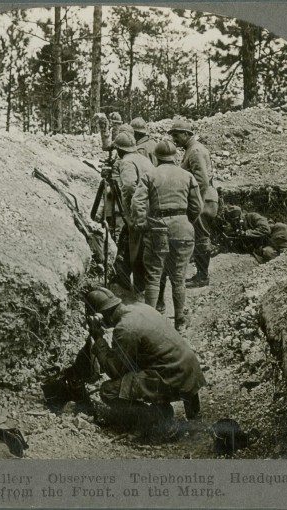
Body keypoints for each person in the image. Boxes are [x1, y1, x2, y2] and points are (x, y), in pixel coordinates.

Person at [84, 287, 205, 437]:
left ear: (100, 316)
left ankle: (157, 422)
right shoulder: (142, 307)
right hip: (189, 371)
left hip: (173, 378)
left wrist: (98, 338)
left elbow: (115, 372)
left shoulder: (124, 329)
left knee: (109, 391)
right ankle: (192, 411)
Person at [130, 140, 202, 330]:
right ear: (175, 157)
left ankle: (150, 324)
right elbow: (197, 207)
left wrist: (142, 223)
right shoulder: (187, 176)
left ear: (156, 157)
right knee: (178, 277)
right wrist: (184, 221)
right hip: (182, 229)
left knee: (153, 276)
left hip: (157, 228)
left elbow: (137, 203)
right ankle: (179, 321)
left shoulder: (150, 175)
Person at [169, 118, 216, 288]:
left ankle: (202, 277)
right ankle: (200, 274)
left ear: (186, 134)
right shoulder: (192, 149)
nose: (174, 139)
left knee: (202, 237)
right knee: (199, 236)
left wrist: (196, 203)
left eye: (176, 135)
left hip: (203, 199)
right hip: (203, 198)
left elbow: (202, 181)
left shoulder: (195, 151)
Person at [107, 132, 155, 293]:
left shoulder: (126, 162)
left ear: (120, 150)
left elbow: (128, 187)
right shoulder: (143, 159)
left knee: (133, 246)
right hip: (151, 208)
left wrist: (130, 209)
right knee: (140, 246)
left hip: (139, 210)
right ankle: (133, 281)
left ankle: (129, 284)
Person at [216, 205, 287, 263]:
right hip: (265, 245)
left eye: (236, 219)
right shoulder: (235, 227)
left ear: (241, 216)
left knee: (282, 232)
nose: (234, 222)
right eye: (232, 221)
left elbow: (265, 229)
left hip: (276, 235)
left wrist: (246, 233)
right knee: (267, 253)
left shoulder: (252, 216)